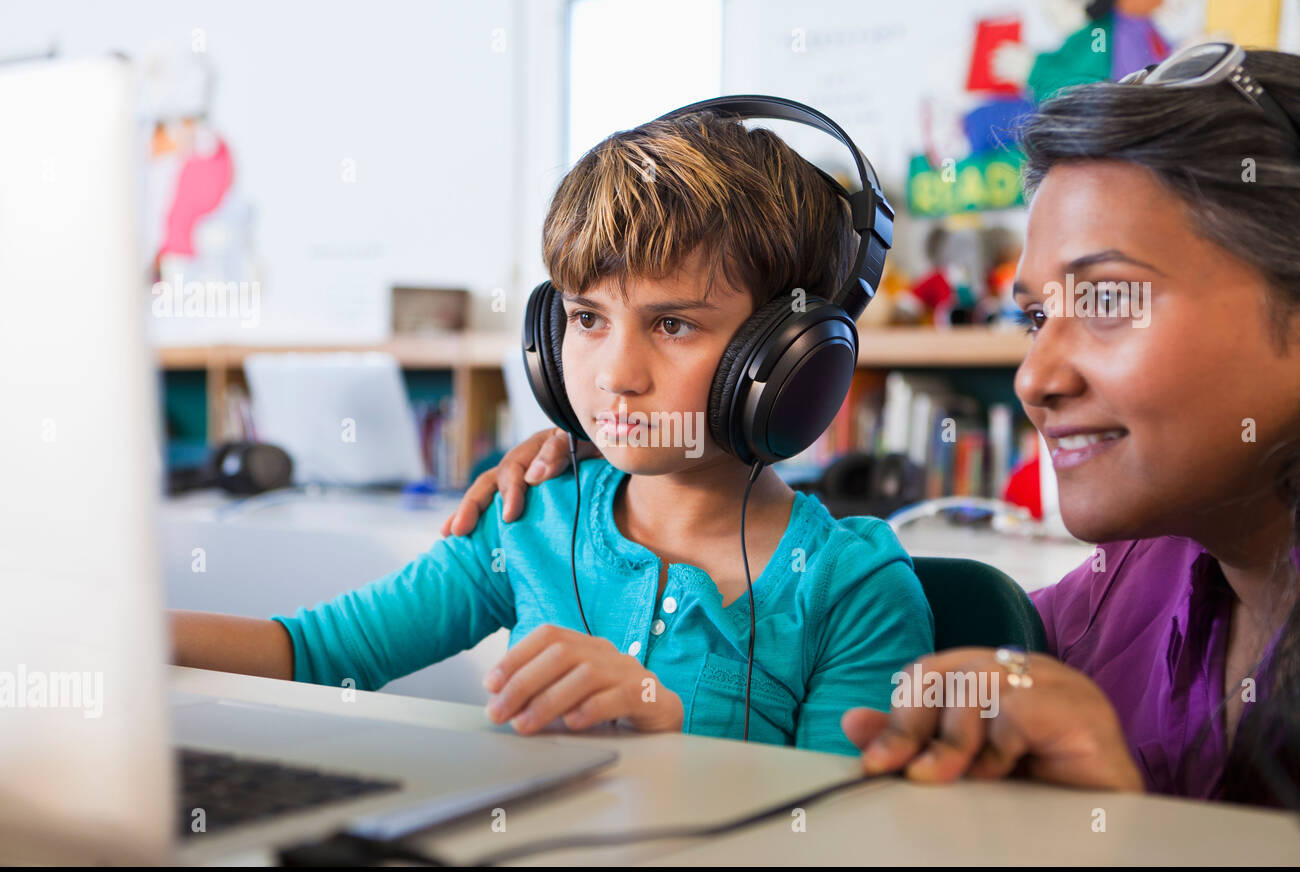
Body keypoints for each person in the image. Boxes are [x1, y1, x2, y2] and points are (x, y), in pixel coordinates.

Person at [458, 48, 1300, 807]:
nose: (1035, 379)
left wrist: (1126, 845)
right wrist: (621, 458)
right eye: (1038, 316)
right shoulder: (1115, 600)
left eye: (1109, 299)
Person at [171, 108, 934, 756]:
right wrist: (116, 632)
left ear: (788, 359)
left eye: (673, 324)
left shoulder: (853, 589)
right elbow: (317, 654)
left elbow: (842, 840)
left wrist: (668, 744)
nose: (614, 373)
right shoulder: (533, 515)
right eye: (587, 319)